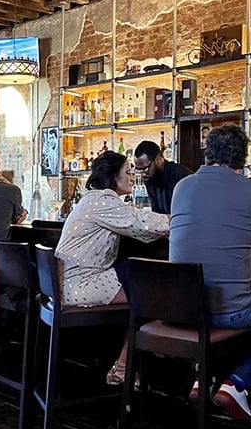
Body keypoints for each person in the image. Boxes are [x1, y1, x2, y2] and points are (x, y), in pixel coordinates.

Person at [169, 123, 251, 423]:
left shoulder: (182, 187)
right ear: (242, 157)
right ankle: (237, 383)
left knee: (249, 301)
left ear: (207, 154)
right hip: (228, 314)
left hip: (180, 312)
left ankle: (204, 375)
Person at [54, 150, 169, 384]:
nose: (131, 176)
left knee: (140, 279)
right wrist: (184, 218)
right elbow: (144, 225)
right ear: (112, 176)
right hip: (78, 286)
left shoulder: (94, 199)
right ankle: (131, 366)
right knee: (151, 292)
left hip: (65, 285)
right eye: (127, 171)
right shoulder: (103, 200)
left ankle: (125, 365)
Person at [132, 140, 192, 215]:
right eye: (138, 170)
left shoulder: (179, 175)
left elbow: (187, 210)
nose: (143, 174)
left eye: (145, 169)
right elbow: (156, 210)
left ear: (159, 160)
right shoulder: (150, 177)